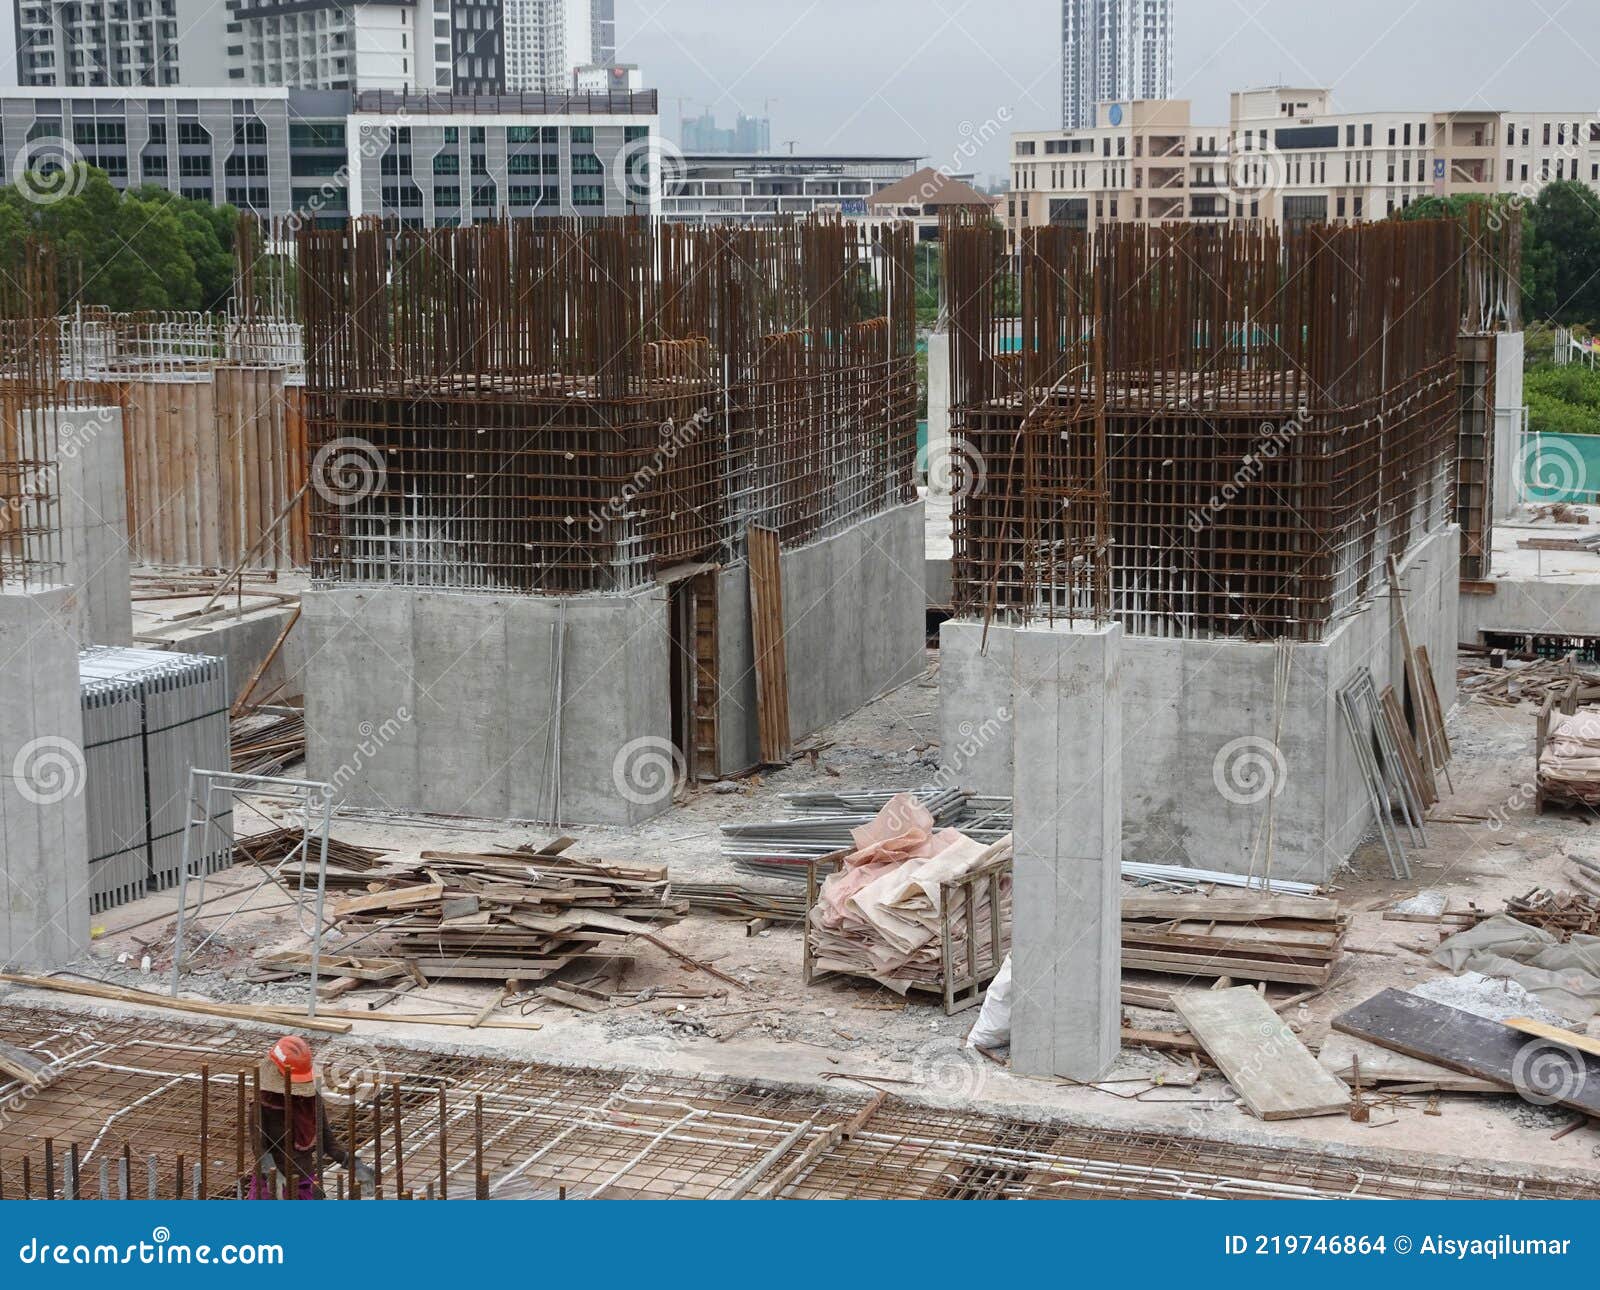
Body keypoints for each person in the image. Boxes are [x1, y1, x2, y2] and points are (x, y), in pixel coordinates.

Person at [252, 1035, 373, 1199]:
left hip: (305, 1181)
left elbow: (328, 1141)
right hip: (272, 1186)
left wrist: (354, 1164)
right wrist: (273, 1175)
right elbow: (260, 1150)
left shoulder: (310, 1101)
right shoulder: (262, 1105)